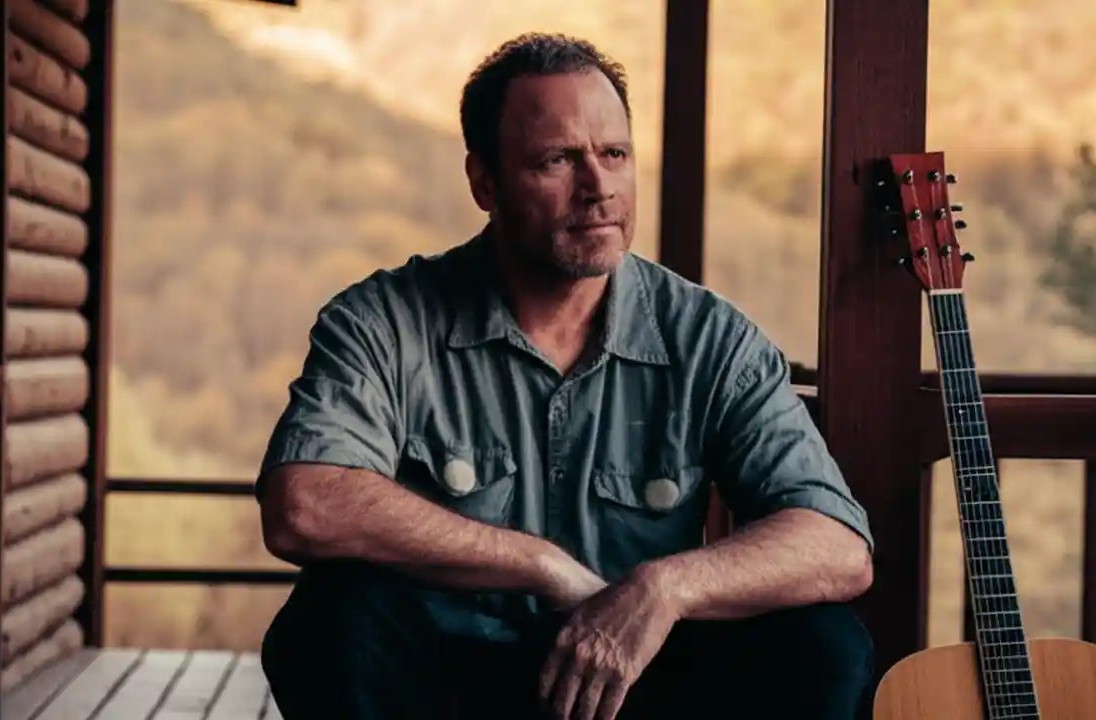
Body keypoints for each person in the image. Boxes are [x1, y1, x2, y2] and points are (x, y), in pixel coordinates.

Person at [256, 32, 875, 720]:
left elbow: (837, 546)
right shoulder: (384, 321)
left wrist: (662, 589)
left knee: (824, 645)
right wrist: (538, 564)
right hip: (443, 683)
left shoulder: (709, 337)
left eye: (614, 154)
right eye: (557, 160)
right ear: (484, 182)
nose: (599, 187)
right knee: (329, 618)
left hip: (632, 681)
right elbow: (304, 504)